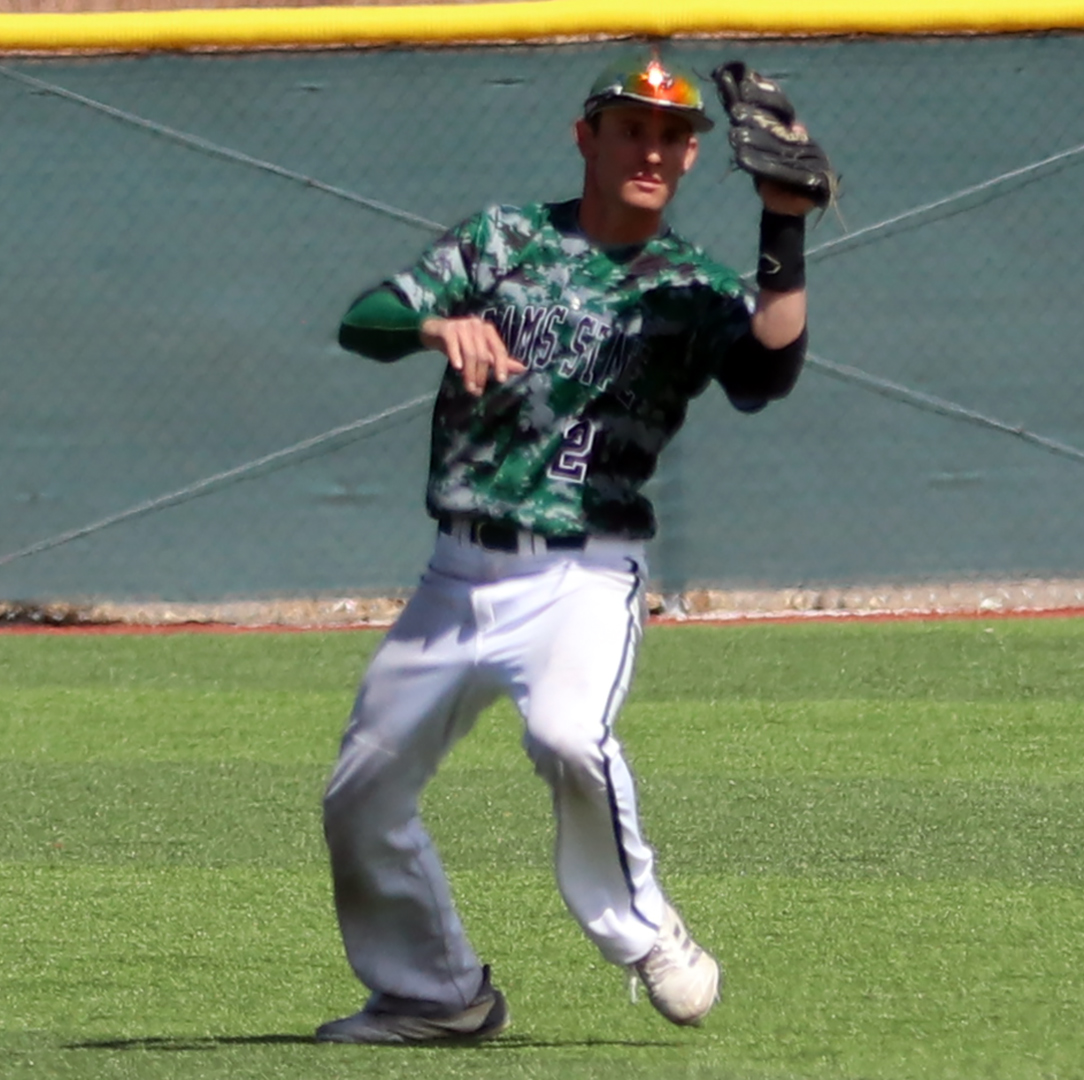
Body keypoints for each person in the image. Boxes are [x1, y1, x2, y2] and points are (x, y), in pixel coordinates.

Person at [316, 51, 816, 1045]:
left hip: (583, 572)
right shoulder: (503, 238)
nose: (653, 149)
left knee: (565, 738)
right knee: (359, 798)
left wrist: (784, 223)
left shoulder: (686, 286)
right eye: (631, 127)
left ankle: (647, 931)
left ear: (687, 160)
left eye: (673, 136)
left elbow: (768, 370)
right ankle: (436, 995)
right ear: (587, 136)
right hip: (456, 573)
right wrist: (436, 326)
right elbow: (361, 320)